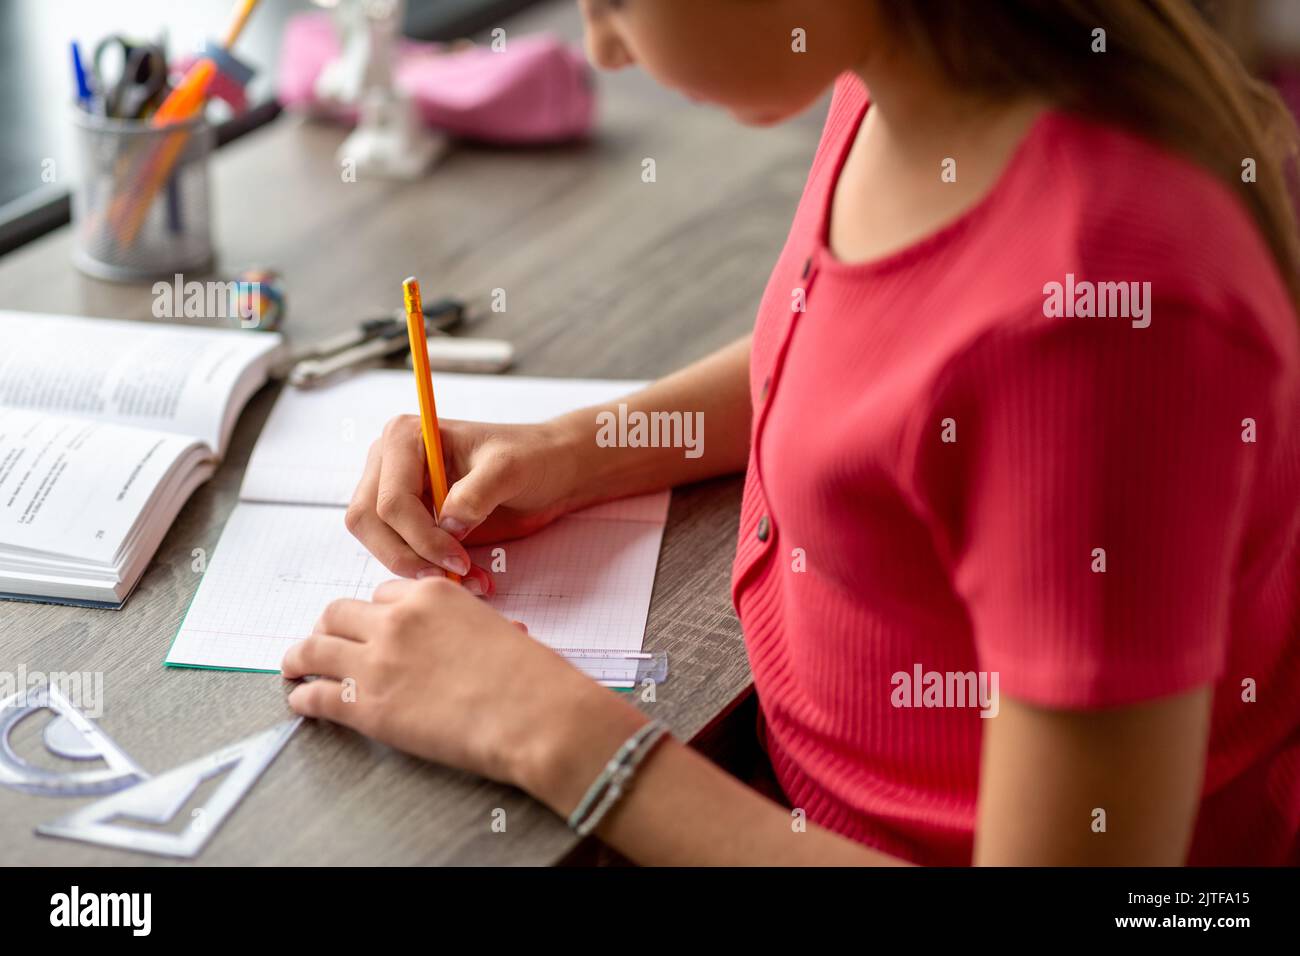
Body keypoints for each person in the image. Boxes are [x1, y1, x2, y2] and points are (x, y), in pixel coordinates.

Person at [281, 0, 1300, 865]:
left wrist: (550, 731)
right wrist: (575, 448)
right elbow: (861, 358)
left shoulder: (1103, 320)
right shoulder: (895, 74)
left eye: (616, 2)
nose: (599, 49)